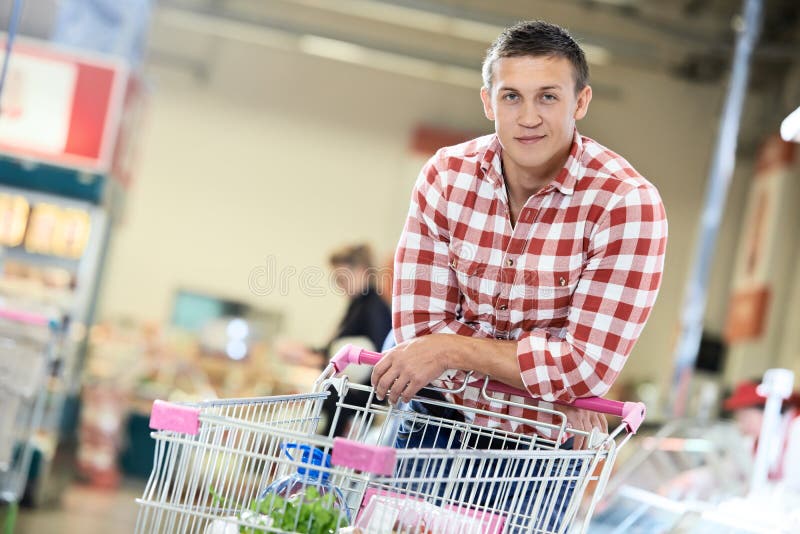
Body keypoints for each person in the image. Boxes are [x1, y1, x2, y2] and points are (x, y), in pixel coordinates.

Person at [370, 20, 668, 530]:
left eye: (548, 97)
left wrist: (452, 349)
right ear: (488, 102)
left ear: (581, 102)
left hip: (538, 459)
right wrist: (545, 380)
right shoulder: (446, 176)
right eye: (511, 96)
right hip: (432, 427)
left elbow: (582, 367)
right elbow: (419, 326)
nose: (528, 117)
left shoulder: (626, 205)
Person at [277, 244, 391, 437]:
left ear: (361, 270)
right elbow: (337, 347)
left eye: (342, 279)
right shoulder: (358, 305)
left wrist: (317, 359)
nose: (340, 285)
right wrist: (308, 352)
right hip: (343, 398)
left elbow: (371, 357)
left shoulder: (373, 309)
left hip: (354, 404)